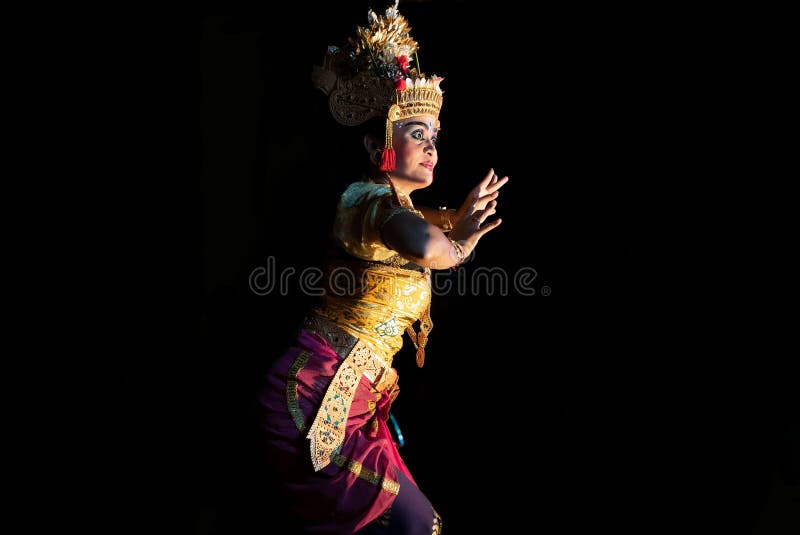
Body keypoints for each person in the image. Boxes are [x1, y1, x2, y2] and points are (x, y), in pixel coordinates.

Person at [256, 2, 509, 533]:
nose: (431, 146)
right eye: (417, 133)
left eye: (435, 135)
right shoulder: (368, 200)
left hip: (355, 399)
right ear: (378, 145)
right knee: (416, 524)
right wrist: (460, 240)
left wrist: (459, 223)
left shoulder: (401, 209)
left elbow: (432, 231)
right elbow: (429, 246)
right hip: (315, 396)